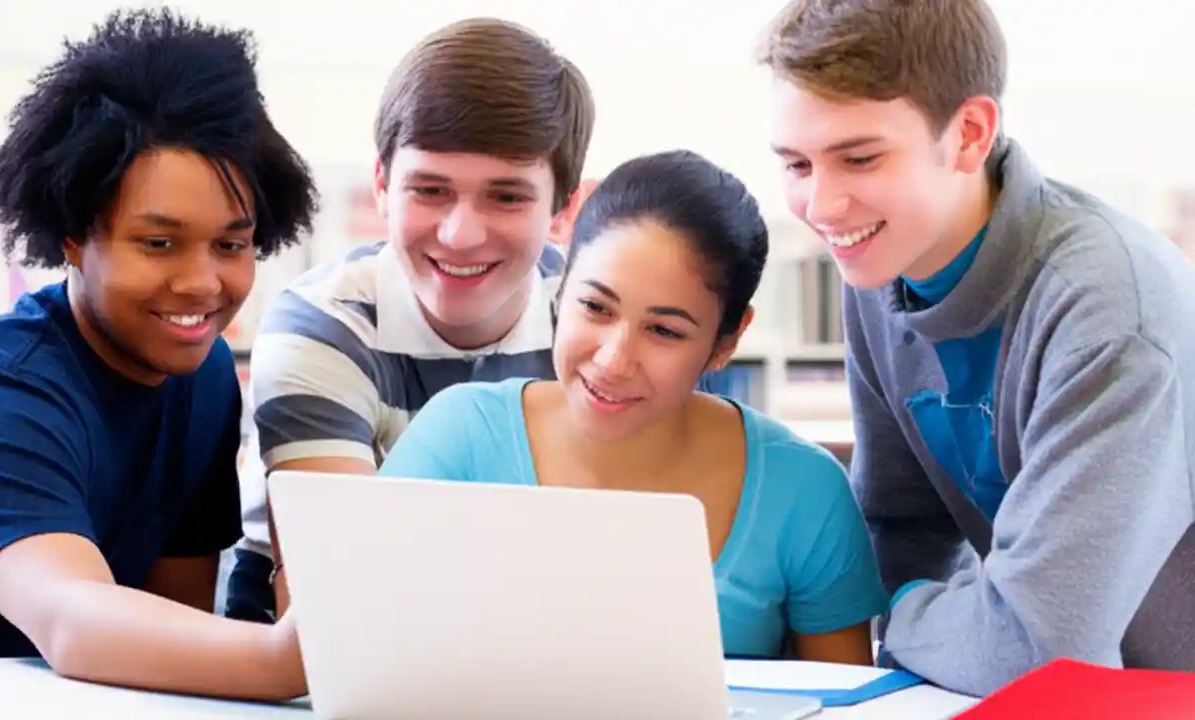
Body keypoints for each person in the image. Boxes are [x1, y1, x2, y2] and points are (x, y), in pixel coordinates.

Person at [759, 0, 1195, 695]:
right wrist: (938, 613)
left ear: (968, 134)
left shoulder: (1111, 310)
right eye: (796, 164)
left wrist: (901, 615)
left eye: (860, 158)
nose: (823, 206)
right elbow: (900, 532)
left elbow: (1042, 649)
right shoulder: (881, 264)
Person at [0, 9, 317, 701]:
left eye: (231, 244)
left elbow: (179, 620)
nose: (202, 283)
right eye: (159, 244)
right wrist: (310, 651)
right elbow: (74, 621)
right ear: (73, 236)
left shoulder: (205, 375)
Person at [378, 150, 888, 664]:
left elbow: (845, 695)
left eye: (664, 331)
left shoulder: (803, 489)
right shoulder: (459, 439)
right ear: (560, 290)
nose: (613, 362)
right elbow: (352, 645)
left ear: (726, 342)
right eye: (594, 307)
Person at [225, 17, 595, 622]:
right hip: (316, 635)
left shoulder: (594, 320)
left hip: (532, 625)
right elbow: (334, 606)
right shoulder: (323, 325)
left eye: (507, 196)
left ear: (562, 210)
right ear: (382, 185)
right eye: (430, 190)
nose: (460, 235)